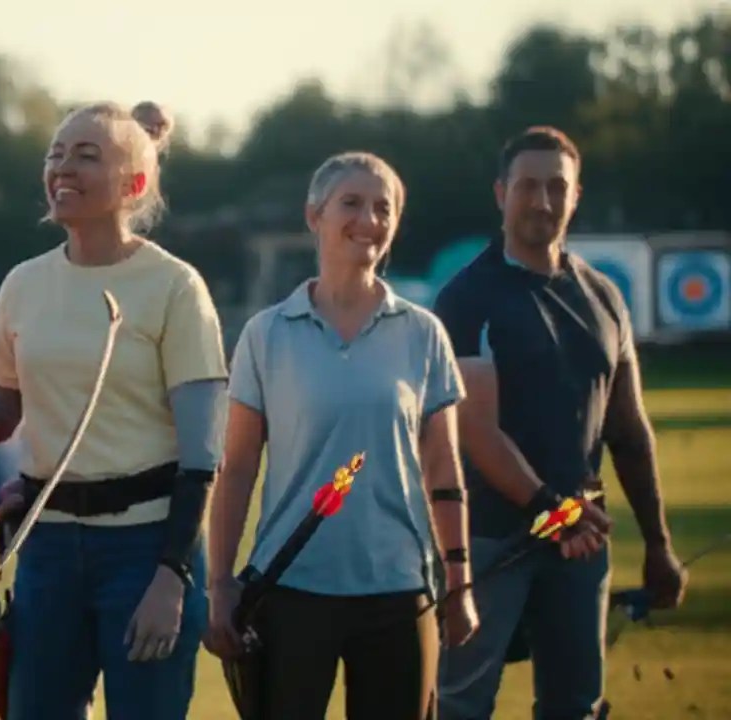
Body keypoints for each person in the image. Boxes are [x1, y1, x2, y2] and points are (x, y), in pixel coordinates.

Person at [0, 101, 227, 719]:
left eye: (86, 156)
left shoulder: (175, 286)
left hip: (146, 551)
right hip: (48, 550)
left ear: (134, 184)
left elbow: (202, 457)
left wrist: (172, 578)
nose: (62, 167)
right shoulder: (22, 284)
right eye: (55, 154)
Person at [204, 151, 479, 719]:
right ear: (315, 216)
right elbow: (236, 472)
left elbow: (444, 469)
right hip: (291, 590)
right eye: (351, 203)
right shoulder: (266, 334)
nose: (369, 220)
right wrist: (220, 585)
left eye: (384, 208)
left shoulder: (423, 334)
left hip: (399, 592)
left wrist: (459, 584)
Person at [433, 126, 688, 720]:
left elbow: (628, 430)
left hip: (578, 542)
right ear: (501, 193)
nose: (541, 201)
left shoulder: (604, 298)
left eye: (557, 187)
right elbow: (477, 431)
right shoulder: (468, 297)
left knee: (574, 707)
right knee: (461, 705)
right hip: (488, 541)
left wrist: (658, 543)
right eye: (527, 186)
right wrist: (554, 509)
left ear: (576, 197)